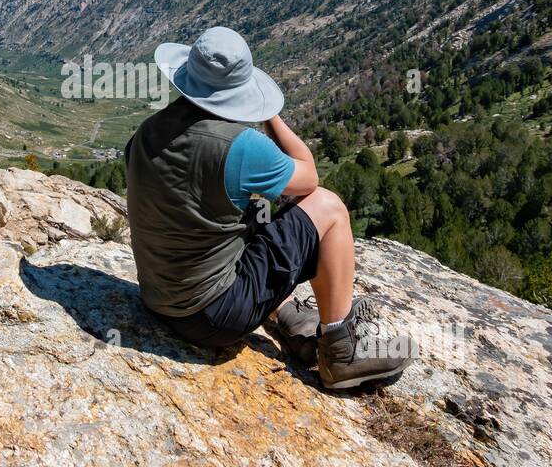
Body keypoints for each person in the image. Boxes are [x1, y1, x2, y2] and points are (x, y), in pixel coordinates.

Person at [124, 26, 415, 390]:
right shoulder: (241, 147)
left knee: (252, 211)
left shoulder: (147, 133)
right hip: (215, 317)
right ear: (239, 93)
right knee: (330, 208)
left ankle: (288, 314)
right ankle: (340, 352)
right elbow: (309, 177)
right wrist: (270, 114)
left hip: (158, 301)